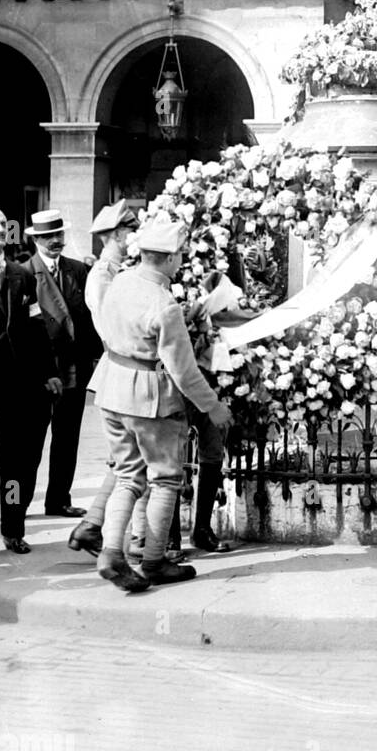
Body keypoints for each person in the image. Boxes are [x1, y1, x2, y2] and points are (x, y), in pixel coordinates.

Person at [91, 219, 233, 592]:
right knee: (166, 478)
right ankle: (154, 561)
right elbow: (184, 372)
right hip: (150, 397)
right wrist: (215, 408)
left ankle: (111, 553)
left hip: (112, 389)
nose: (181, 261)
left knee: (127, 475)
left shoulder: (120, 282)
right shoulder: (164, 304)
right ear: (169, 259)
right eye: (179, 256)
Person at [0, 206, 62, 552]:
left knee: (15, 460)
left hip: (15, 383)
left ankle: (13, 527)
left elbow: (36, 328)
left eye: (3, 224)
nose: (0, 229)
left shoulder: (21, 275)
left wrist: (48, 372)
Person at [69, 202, 143, 557]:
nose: (133, 237)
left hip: (125, 374)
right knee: (129, 460)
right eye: (130, 232)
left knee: (128, 459)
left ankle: (92, 528)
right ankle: (103, 532)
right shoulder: (101, 277)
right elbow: (110, 330)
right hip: (118, 371)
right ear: (115, 234)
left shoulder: (122, 271)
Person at [25, 210, 102, 519]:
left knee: (67, 437)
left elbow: (88, 317)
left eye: (58, 234)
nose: (55, 241)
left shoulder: (78, 270)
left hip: (75, 367)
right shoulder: (24, 273)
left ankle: (58, 499)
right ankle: (19, 503)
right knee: (31, 440)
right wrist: (39, 370)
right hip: (41, 371)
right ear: (36, 239)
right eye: (47, 236)